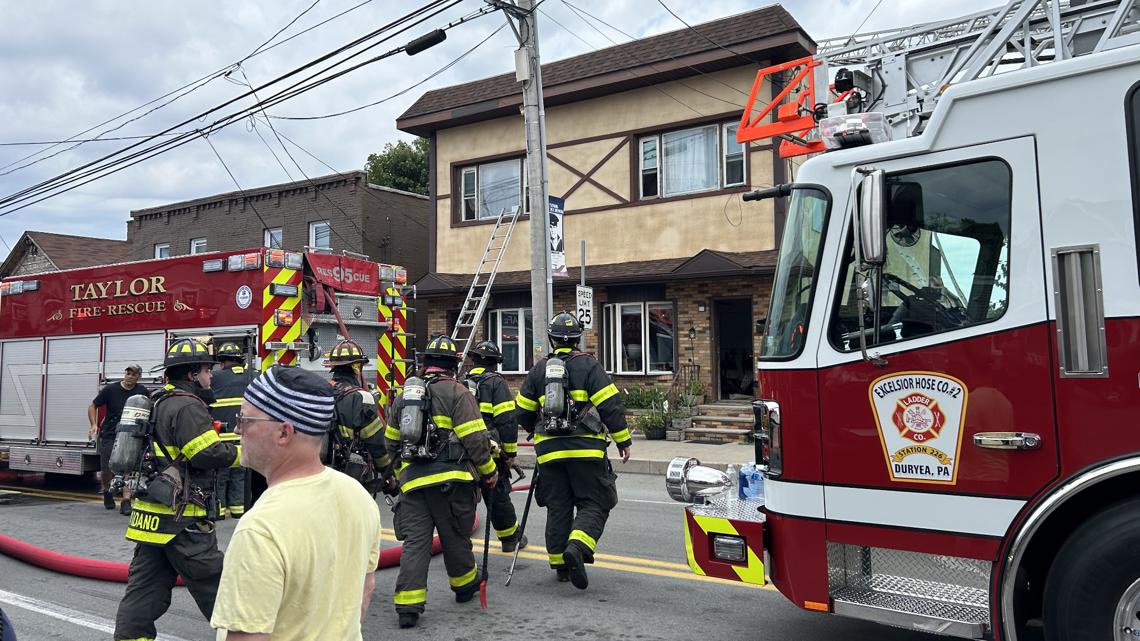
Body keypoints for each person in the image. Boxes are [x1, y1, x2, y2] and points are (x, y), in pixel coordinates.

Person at [210, 366, 383, 641]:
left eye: (244, 418)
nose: (236, 428)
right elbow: (365, 589)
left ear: (284, 433)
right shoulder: (358, 496)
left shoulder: (260, 530)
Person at [113, 338, 241, 641]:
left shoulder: (158, 401)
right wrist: (242, 454)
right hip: (182, 517)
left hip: (150, 518)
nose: (211, 376)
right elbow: (205, 453)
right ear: (194, 373)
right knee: (217, 586)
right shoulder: (187, 406)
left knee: (144, 591)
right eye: (208, 370)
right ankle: (251, 635)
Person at [383, 334, 498, 629]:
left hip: (413, 484)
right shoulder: (458, 392)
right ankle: (463, 586)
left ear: (426, 363)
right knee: (455, 536)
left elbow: (391, 445)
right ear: (453, 366)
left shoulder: (404, 398)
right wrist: (489, 472)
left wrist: (401, 477)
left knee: (416, 543)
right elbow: (475, 439)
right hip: (452, 481)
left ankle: (408, 605)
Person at [515, 312, 632, 590]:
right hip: (586, 450)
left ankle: (560, 565)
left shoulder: (538, 369)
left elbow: (522, 411)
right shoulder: (589, 365)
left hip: (549, 452)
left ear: (552, 339)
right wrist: (623, 441)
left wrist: (537, 429)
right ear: (578, 338)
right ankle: (577, 547)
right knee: (596, 502)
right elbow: (610, 405)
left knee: (558, 507)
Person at [463, 340, 526, 552]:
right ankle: (510, 539)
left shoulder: (462, 382)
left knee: (463, 498)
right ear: (494, 363)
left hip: (464, 450)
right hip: (491, 451)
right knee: (497, 495)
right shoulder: (496, 383)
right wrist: (509, 453)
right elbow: (507, 420)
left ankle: (460, 544)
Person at [324, 339, 391, 487]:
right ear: (357, 367)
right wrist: (387, 472)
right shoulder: (362, 398)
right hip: (350, 476)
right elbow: (376, 442)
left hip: (320, 471)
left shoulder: (321, 391)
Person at [88, 364, 149, 510]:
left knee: (129, 467)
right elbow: (92, 405)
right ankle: (107, 491)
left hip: (131, 435)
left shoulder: (142, 392)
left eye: (133, 374)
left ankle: (126, 500)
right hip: (110, 434)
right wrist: (93, 424)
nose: (129, 377)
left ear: (138, 377)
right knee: (107, 469)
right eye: (128, 373)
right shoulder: (110, 390)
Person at [209, 342, 253, 519]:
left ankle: (219, 511)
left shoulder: (214, 377)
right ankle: (238, 509)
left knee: (220, 474)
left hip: (221, 436)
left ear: (222, 362)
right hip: (243, 435)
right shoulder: (251, 376)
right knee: (239, 473)